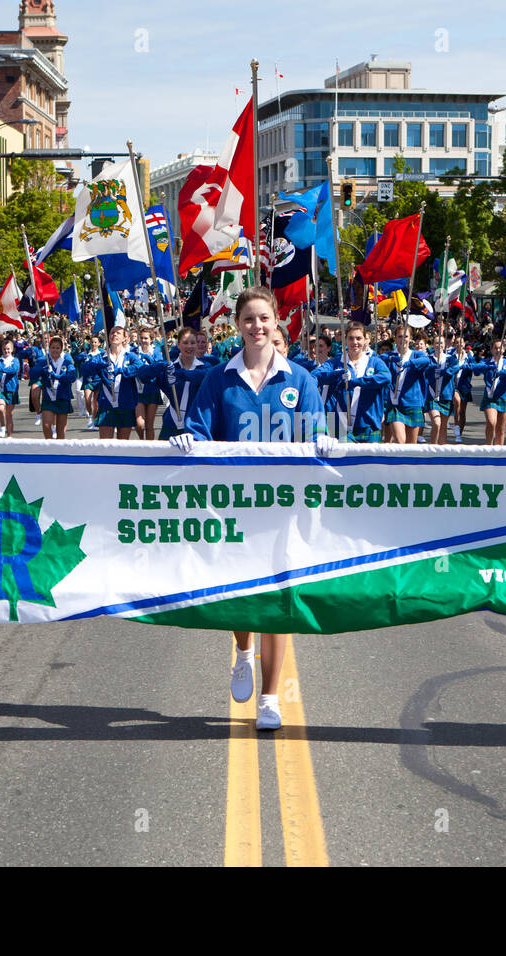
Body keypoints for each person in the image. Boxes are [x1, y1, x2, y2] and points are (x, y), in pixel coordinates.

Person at [173, 287, 330, 731]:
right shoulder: (218, 379)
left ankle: (269, 697)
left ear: (277, 320)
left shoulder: (299, 380)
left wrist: (325, 443)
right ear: (237, 325)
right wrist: (189, 443)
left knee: (278, 600)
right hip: (235, 510)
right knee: (241, 594)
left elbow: (317, 433)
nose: (257, 327)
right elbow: (200, 429)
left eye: (264, 319)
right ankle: (243, 652)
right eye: (248, 320)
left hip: (283, 511)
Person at [32, 335, 78, 440]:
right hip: (48, 397)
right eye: (53, 347)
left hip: (62, 397)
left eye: (58, 348)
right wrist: (37, 365)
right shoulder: (44, 361)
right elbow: (34, 374)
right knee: (46, 425)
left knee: (60, 431)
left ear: (61, 349)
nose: (55, 350)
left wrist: (57, 376)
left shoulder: (66, 362)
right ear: (49, 348)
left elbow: (72, 376)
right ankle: (49, 447)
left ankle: (59, 452)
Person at [0, 339, 22, 438]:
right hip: (0, 389)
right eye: (4, 349)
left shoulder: (15, 360)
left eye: (8, 349)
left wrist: (1, 369)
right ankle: (2, 425)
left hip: (11, 390)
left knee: (9, 414)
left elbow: (14, 370)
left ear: (12, 349)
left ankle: (9, 436)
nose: (6, 351)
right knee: (0, 408)